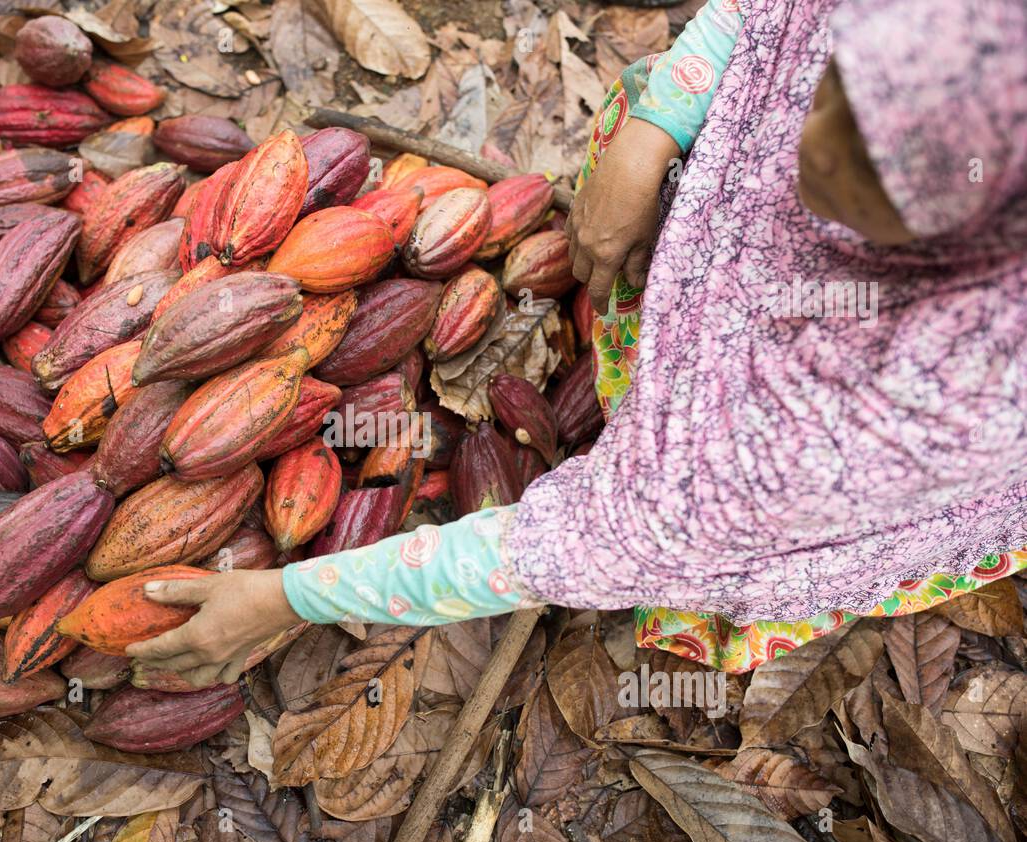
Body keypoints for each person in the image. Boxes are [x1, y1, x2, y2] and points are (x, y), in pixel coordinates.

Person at [128, 0, 1027, 688]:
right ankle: (643, 369)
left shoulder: (905, 413)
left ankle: (664, 459)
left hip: (808, 474)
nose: (810, 147)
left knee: (703, 545)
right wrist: (657, 130)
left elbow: (579, 544)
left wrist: (286, 598)